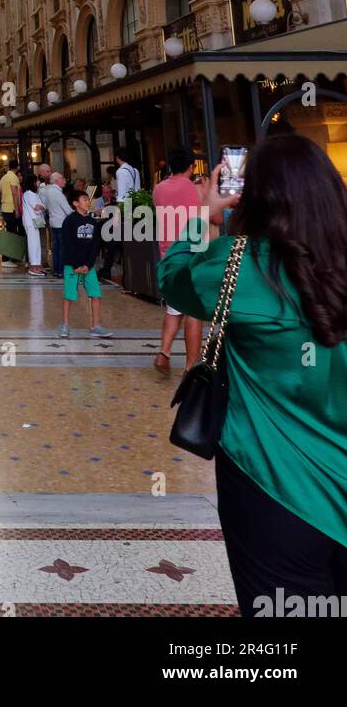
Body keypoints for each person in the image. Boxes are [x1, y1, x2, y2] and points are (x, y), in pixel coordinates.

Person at [159, 136, 347, 618]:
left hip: (274, 489)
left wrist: (204, 212)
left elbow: (175, 279)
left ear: (254, 195)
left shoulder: (237, 263)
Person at [151, 147, 204, 375]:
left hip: (168, 256)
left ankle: (164, 353)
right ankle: (190, 366)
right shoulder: (195, 189)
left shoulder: (158, 189)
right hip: (191, 256)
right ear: (192, 167)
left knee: (174, 310)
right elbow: (213, 216)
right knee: (194, 312)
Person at [58, 190, 113, 338]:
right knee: (69, 295)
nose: (87, 202)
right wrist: (76, 265)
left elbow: (95, 245)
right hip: (72, 265)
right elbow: (68, 244)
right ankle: (65, 325)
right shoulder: (69, 221)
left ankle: (95, 325)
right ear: (75, 203)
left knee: (95, 294)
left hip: (88, 267)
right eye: (84, 199)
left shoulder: (92, 221)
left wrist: (88, 265)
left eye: (87, 199)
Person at [39, 171, 72, 278]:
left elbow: (46, 206)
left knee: (56, 248)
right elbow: (67, 210)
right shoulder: (58, 193)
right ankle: (61, 270)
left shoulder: (48, 191)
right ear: (57, 181)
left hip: (53, 222)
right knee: (62, 248)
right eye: (62, 178)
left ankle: (56, 270)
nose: (64, 180)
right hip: (61, 223)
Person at [0, 158, 22, 271]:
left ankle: (9, 258)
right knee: (12, 235)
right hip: (11, 208)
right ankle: (6, 260)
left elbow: (1, 192)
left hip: (5, 208)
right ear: (17, 167)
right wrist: (17, 210)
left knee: (10, 233)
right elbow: (14, 193)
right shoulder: (13, 177)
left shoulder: (3, 178)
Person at [21, 173, 46, 275]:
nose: (39, 183)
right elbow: (36, 207)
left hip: (32, 221)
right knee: (34, 244)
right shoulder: (30, 194)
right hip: (32, 221)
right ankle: (34, 267)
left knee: (35, 243)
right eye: (37, 181)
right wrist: (44, 206)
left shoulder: (29, 193)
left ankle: (36, 265)